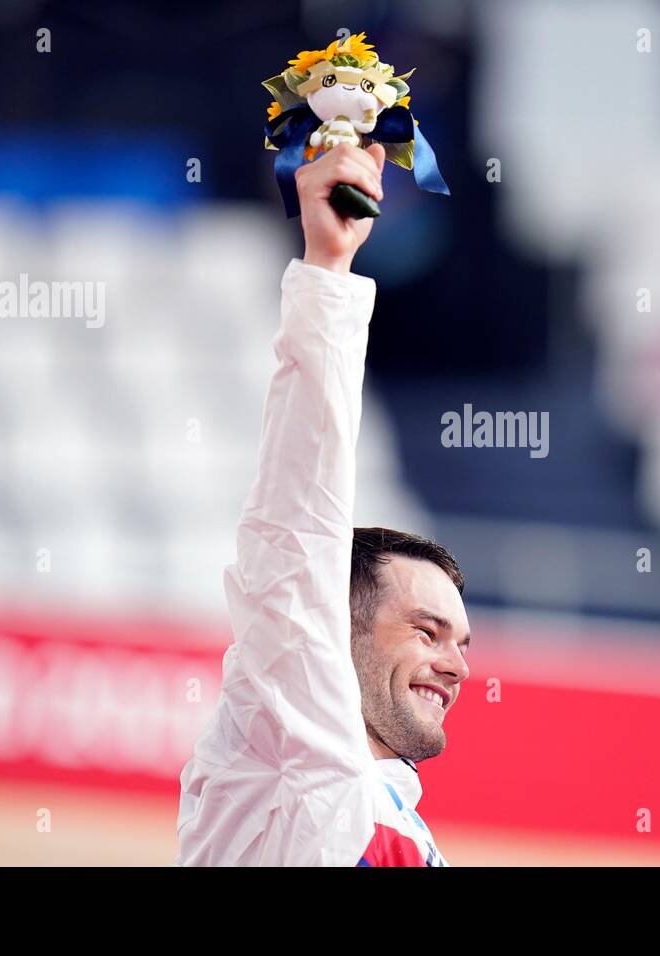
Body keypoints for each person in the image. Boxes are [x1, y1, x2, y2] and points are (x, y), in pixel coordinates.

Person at [175, 143, 472, 866]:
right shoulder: (292, 749)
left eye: (461, 643)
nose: (458, 666)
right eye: (427, 631)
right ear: (334, 634)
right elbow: (300, 515)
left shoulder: (392, 808)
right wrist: (328, 271)